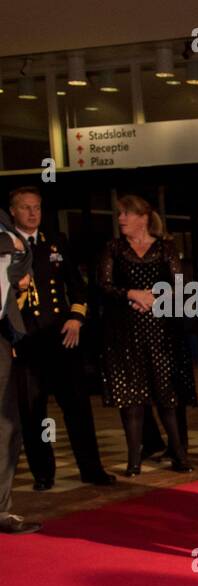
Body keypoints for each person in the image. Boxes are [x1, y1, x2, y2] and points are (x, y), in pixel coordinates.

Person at [8, 186, 113, 488]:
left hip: (61, 338)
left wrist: (77, 317)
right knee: (34, 412)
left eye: (37, 207)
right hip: (26, 342)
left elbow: (78, 287)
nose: (32, 213)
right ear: (13, 211)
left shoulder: (54, 242)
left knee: (78, 407)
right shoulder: (6, 248)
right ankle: (43, 474)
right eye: (26, 207)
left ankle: (91, 469)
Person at [98, 195, 198, 476]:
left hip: (162, 333)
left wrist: (155, 297)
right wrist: (131, 293)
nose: (121, 219)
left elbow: (180, 286)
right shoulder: (113, 248)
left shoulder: (165, 248)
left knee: (168, 396)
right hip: (124, 334)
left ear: (143, 217)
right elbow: (103, 286)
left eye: (126, 214)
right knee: (131, 399)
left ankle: (180, 455)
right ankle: (133, 461)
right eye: (119, 214)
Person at [0, 209, 40, 533]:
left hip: (2, 334)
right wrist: (6, 243)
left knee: (6, 425)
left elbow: (23, 252)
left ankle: (2, 509)